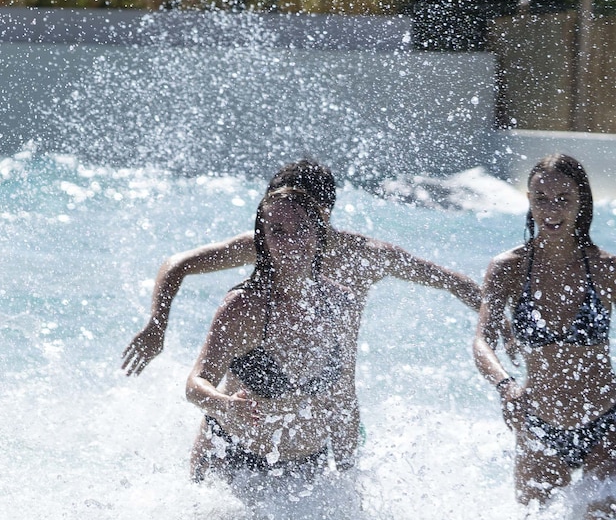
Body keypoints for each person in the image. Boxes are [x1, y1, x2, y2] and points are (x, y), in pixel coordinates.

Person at [122, 158, 482, 379]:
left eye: (296, 212)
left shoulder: (368, 255)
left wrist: (498, 324)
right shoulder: (261, 246)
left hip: (331, 402)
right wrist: (156, 327)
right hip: (251, 396)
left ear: (323, 214)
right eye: (274, 217)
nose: (282, 229)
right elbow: (176, 265)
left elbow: (454, 283)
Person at [472, 154, 616, 520]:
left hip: (606, 424)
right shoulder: (509, 267)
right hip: (538, 424)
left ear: (581, 202)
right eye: (541, 198)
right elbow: (482, 342)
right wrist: (505, 385)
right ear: (529, 201)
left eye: (562, 199)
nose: (550, 210)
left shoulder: (606, 268)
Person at [185, 186, 353, 488]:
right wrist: (224, 405)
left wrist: (348, 470)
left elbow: (342, 397)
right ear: (263, 241)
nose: (290, 241)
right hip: (234, 465)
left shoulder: (339, 301)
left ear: (318, 234)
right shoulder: (243, 305)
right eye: (277, 231)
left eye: (301, 228)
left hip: (309, 467)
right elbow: (195, 385)